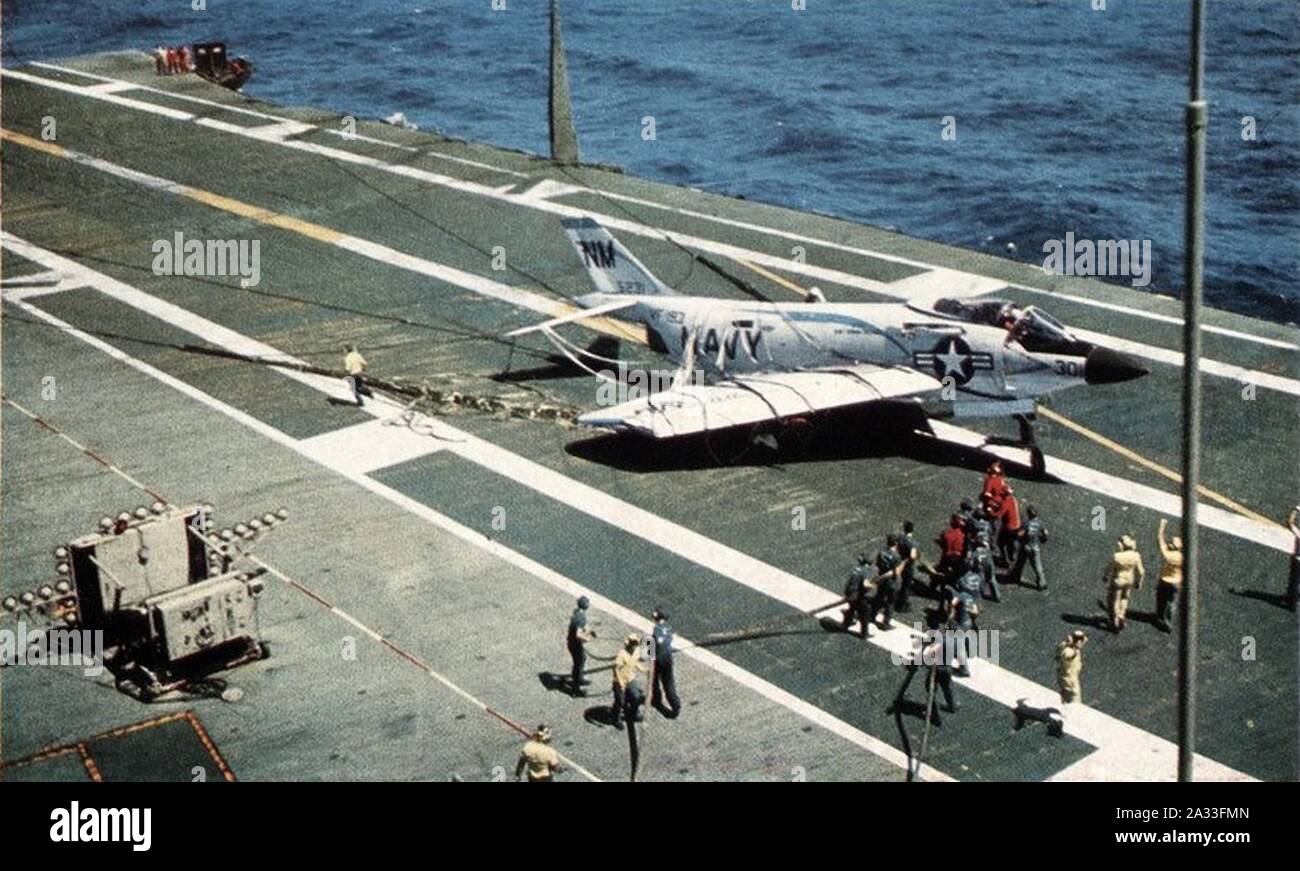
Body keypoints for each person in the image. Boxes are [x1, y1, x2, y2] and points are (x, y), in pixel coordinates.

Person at [1103, 534, 1145, 632]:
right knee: (1125, 598)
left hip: (1118, 580)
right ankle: (1122, 614)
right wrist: (1139, 582)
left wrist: (1105, 577)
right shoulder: (1136, 556)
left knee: (1114, 600)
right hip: (1129, 579)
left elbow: (1109, 568)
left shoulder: (1117, 556)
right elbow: (1141, 571)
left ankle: (1115, 621)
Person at [1154, 518, 1184, 632]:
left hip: (1165, 580)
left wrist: (1162, 527)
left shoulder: (1168, 555)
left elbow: (1160, 540)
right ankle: (1168, 622)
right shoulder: (1183, 557)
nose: (1170, 543)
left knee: (1160, 598)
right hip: (1176, 581)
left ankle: (1160, 617)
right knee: (1171, 603)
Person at [650, 608, 681, 718]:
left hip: (658, 659)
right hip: (668, 657)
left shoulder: (657, 629)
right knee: (668, 682)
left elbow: (657, 643)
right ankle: (675, 704)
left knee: (654, 680)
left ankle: (657, 699)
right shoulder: (668, 628)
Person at [611, 634, 646, 730]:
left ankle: (634, 714)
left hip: (630, 679)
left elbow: (636, 662)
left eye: (636, 645)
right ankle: (615, 719)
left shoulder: (637, 652)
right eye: (633, 645)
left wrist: (643, 670)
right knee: (620, 702)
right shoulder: (622, 654)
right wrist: (620, 682)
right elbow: (616, 669)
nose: (634, 647)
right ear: (629, 645)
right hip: (620, 682)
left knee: (636, 697)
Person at [871, 535, 904, 629]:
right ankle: (886, 624)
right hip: (891, 582)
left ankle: (872, 616)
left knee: (879, 598)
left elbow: (877, 565)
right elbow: (896, 572)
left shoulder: (881, 553)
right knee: (890, 603)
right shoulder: (897, 557)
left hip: (882, 581)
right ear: (896, 543)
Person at [841, 553, 876, 640]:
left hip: (849, 593)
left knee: (852, 608)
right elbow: (865, 584)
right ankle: (864, 633)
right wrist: (872, 586)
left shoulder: (857, 569)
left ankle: (845, 625)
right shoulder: (865, 571)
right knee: (865, 612)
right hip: (856, 596)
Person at [1014, 504, 1048, 590]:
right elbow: (1045, 533)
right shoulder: (1040, 523)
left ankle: (1015, 577)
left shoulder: (1027, 524)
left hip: (1026, 547)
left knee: (1020, 563)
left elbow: (1019, 534)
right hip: (1035, 547)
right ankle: (1042, 582)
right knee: (1037, 565)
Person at [566, 596, 594, 696]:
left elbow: (583, 625)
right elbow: (578, 634)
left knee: (580, 661)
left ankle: (578, 679)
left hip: (571, 643)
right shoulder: (581, 617)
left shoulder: (578, 612)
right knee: (579, 664)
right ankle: (575, 688)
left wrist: (589, 631)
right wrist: (586, 638)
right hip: (575, 645)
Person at [993, 488, 1023, 567]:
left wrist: (992, 512)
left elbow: (999, 514)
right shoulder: (1013, 499)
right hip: (1017, 524)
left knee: (1000, 543)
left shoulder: (1006, 502)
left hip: (1009, 527)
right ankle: (1013, 555)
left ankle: (1005, 560)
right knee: (1012, 541)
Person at [1055, 631, 1087, 704]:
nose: (1082, 643)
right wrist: (1075, 650)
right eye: (1080, 641)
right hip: (1069, 679)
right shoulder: (1068, 651)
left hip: (1066, 677)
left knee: (1066, 695)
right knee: (1075, 699)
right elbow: (1068, 656)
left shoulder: (1064, 646)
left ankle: (1064, 707)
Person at [896, 522, 920, 613]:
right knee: (906, 585)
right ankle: (902, 605)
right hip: (908, 566)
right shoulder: (913, 543)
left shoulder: (900, 538)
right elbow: (912, 556)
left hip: (900, 561)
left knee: (902, 582)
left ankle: (899, 598)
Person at [936, 515, 966, 582]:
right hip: (958, 558)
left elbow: (944, 544)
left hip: (948, 557)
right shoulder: (963, 535)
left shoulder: (948, 534)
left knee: (940, 570)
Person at [970, 531, 999, 602]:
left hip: (980, 565)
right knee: (992, 579)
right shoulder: (987, 547)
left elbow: (972, 561)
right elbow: (994, 553)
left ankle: (981, 594)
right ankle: (997, 596)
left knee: (980, 579)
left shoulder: (975, 551)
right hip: (989, 563)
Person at [1287, 505, 1300, 611]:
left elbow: (1289, 523)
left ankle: (1292, 604)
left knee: (1294, 582)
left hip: (1297, 562)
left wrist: (1295, 510)